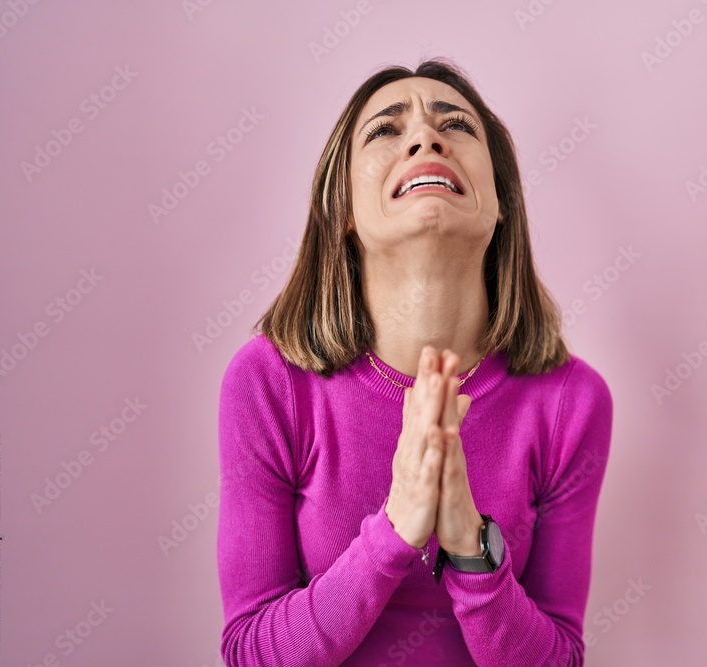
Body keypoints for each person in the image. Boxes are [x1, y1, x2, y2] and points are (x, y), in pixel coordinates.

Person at [216, 57, 613, 667]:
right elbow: (250, 654)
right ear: (343, 208)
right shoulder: (269, 383)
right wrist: (396, 524)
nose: (426, 138)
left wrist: (470, 549)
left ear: (500, 202)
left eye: (456, 126)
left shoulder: (571, 401)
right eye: (386, 130)